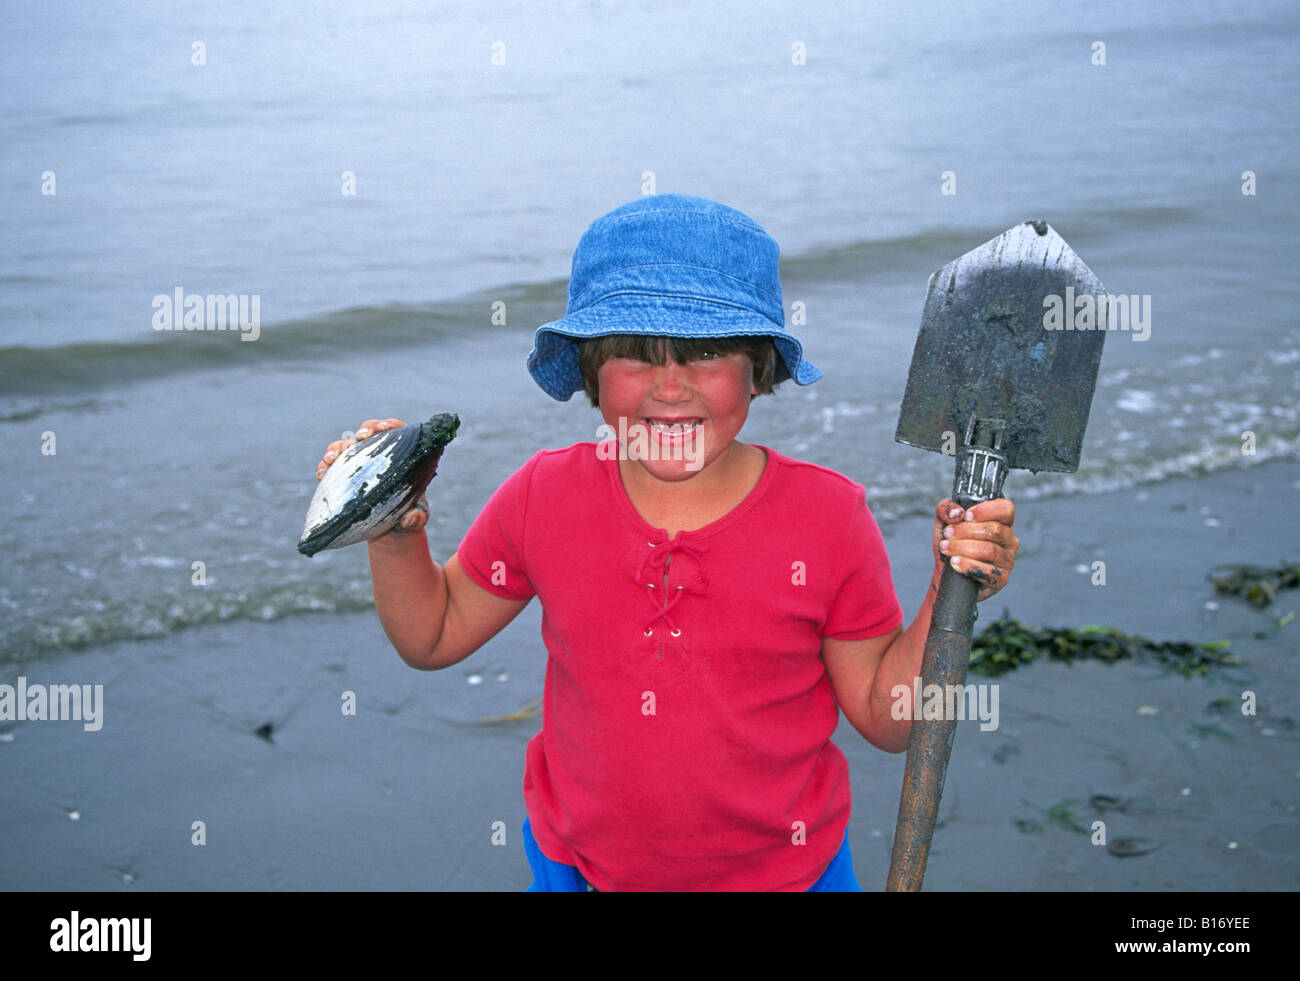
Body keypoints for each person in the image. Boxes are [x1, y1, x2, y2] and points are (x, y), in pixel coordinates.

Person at [314, 194, 1019, 891]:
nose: (672, 386)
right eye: (636, 356)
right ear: (590, 368)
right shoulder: (544, 497)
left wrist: (946, 587)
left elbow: (888, 718)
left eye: (706, 351)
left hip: (788, 876)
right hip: (582, 872)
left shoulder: (828, 518)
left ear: (758, 365)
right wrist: (390, 524)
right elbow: (431, 635)